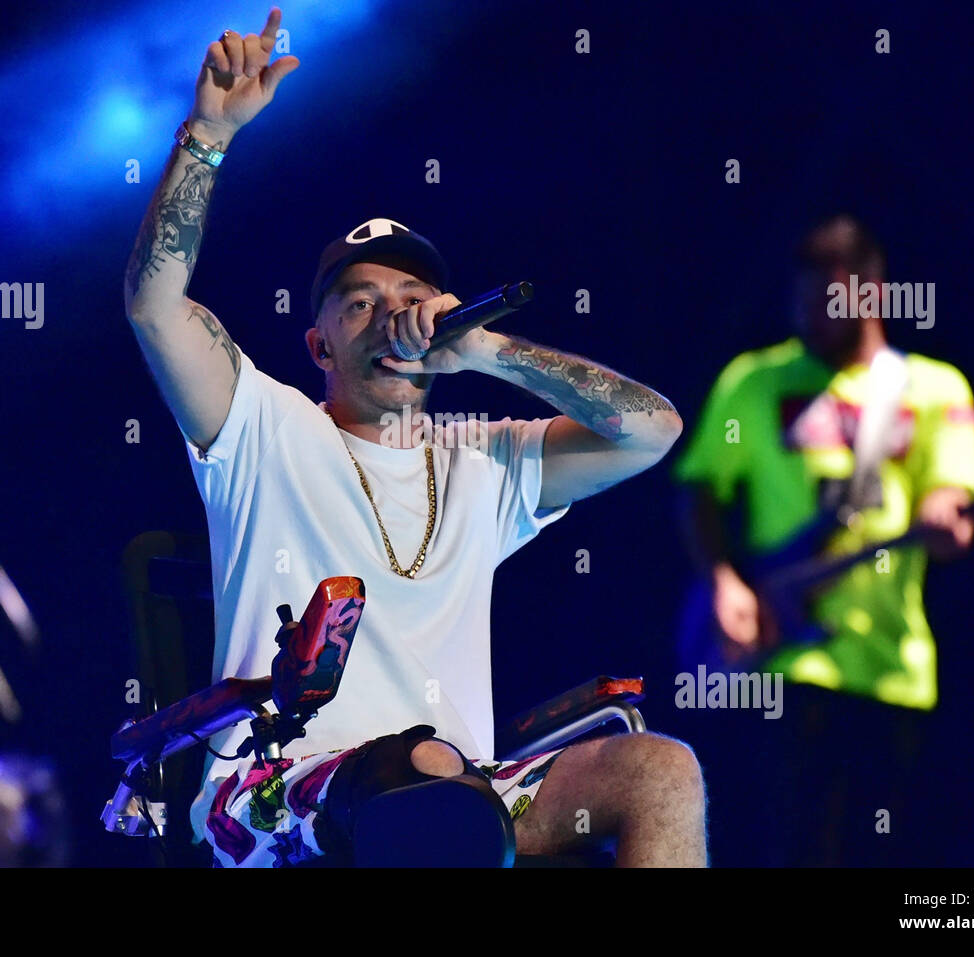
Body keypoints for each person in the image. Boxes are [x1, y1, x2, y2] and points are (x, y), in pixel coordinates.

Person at [122, 7, 702, 867]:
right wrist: (207, 133)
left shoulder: (485, 461)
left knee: (659, 771)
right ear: (319, 343)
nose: (390, 316)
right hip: (281, 790)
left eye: (408, 300)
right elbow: (154, 305)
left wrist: (489, 350)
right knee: (427, 778)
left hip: (464, 785)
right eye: (359, 302)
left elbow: (652, 430)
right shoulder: (262, 427)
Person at [673, 214, 974, 864]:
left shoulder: (935, 388)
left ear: (871, 295)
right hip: (783, 659)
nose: (811, 316)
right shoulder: (753, 380)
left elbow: (954, 504)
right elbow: (698, 484)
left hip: (893, 667)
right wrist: (723, 577)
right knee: (787, 843)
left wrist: (945, 515)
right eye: (803, 299)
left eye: (829, 301)